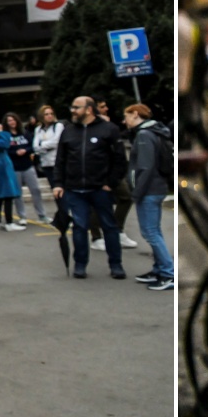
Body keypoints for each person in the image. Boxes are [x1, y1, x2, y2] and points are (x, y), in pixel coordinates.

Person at [53, 95, 127, 280]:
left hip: (100, 189)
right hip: (75, 189)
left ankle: (116, 265)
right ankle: (80, 264)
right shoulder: (68, 131)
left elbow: (119, 159)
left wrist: (111, 183)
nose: (72, 111)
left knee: (109, 227)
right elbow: (60, 160)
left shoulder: (109, 129)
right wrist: (58, 184)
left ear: (89, 109)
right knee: (79, 227)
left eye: (76, 107)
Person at [122, 102, 175, 291]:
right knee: (154, 231)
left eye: (127, 116)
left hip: (149, 190)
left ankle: (168, 274)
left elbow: (145, 167)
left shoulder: (144, 136)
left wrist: (136, 192)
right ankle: (159, 269)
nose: (124, 120)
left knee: (151, 233)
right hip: (156, 188)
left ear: (135, 114)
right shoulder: (153, 132)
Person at [29, 104, 63, 228]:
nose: (49, 116)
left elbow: (56, 142)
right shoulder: (38, 129)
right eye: (46, 114)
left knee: (61, 190)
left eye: (51, 114)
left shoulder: (58, 126)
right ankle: (62, 215)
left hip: (57, 162)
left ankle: (64, 215)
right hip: (46, 163)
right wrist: (43, 146)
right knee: (54, 190)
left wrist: (42, 145)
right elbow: (35, 146)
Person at [5, 113, 40, 224]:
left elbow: (32, 146)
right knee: (18, 194)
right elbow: (5, 150)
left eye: (13, 120)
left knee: (36, 190)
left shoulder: (25, 133)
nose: (12, 122)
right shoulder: (6, 136)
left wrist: (25, 150)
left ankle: (42, 215)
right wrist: (15, 152)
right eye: (9, 120)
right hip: (15, 168)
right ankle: (22, 217)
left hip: (28, 165)